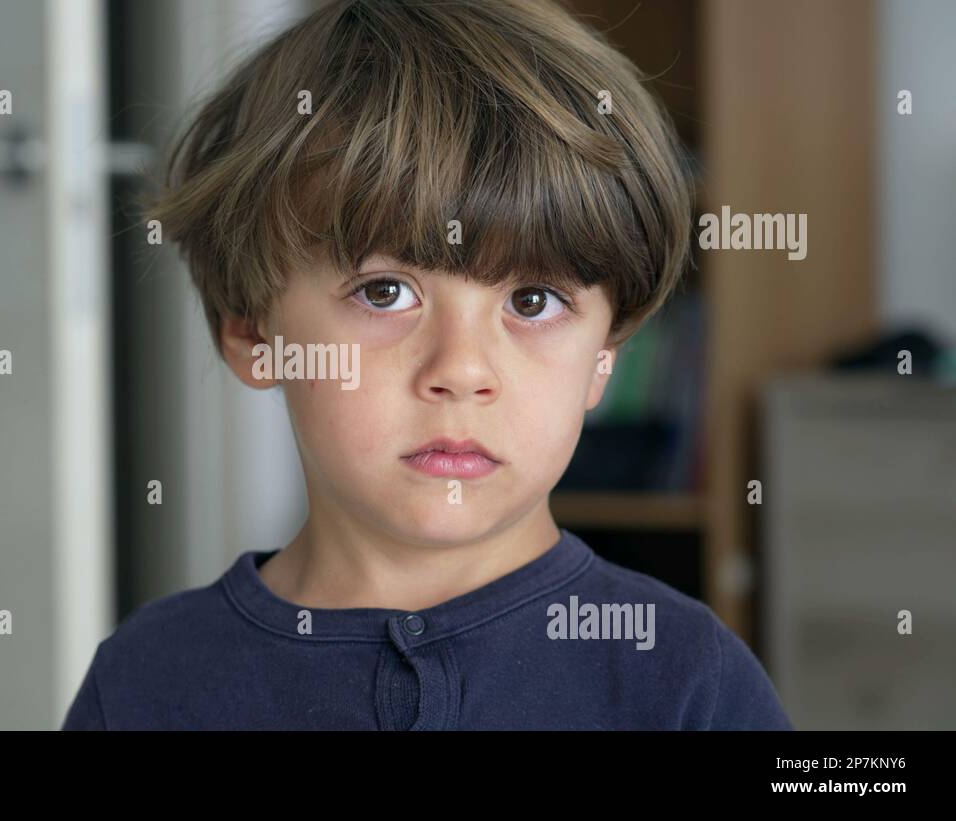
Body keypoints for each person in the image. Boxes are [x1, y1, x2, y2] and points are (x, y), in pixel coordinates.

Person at [63, 0, 792, 730]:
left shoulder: (686, 679)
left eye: (533, 301)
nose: (462, 369)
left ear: (606, 357)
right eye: (386, 293)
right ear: (254, 330)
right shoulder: (147, 682)